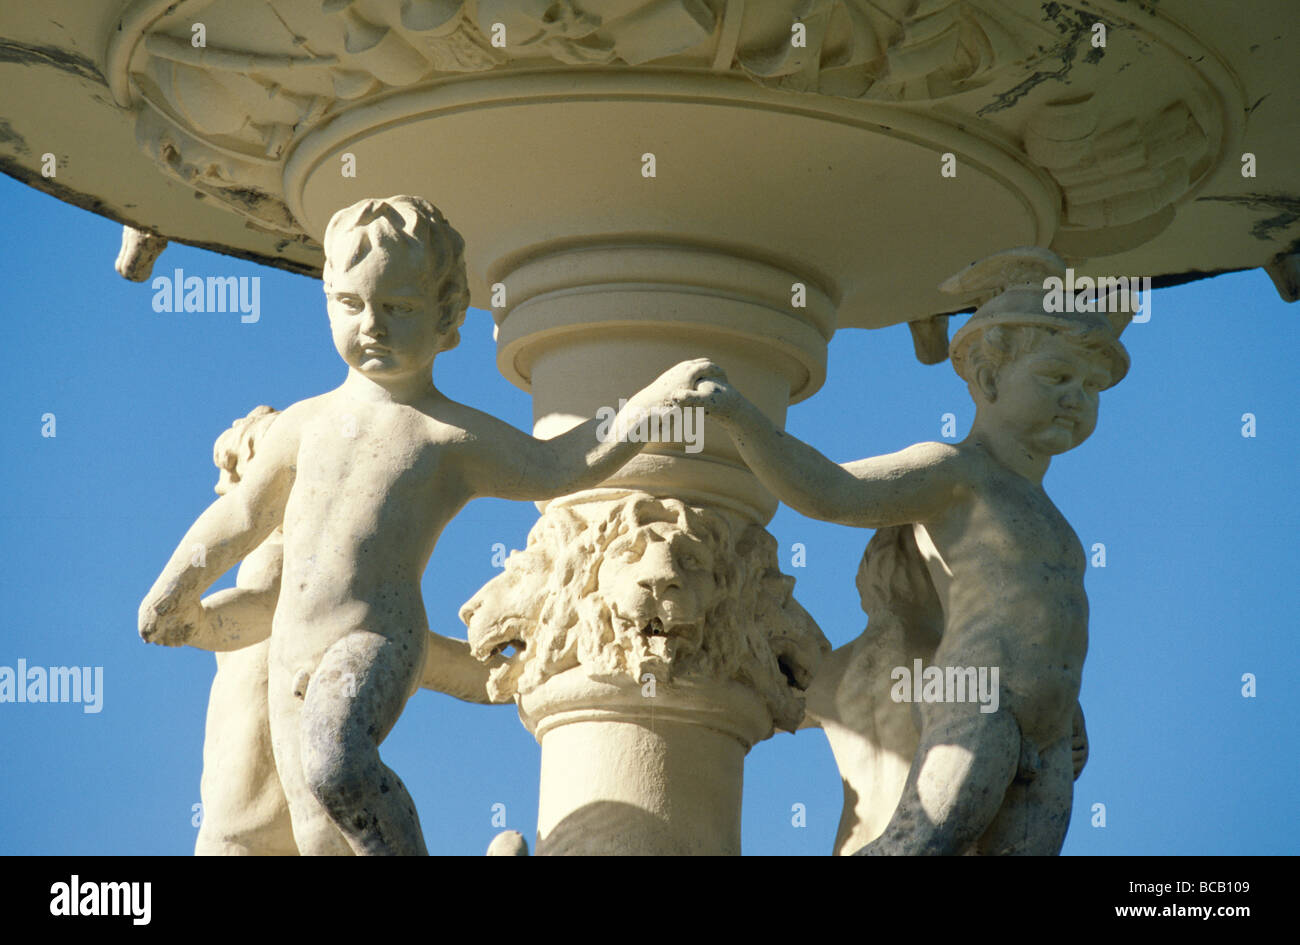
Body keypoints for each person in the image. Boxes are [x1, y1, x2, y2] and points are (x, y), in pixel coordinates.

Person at [139, 195, 720, 855]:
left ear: (447, 318)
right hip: (293, 650)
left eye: (400, 309)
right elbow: (240, 515)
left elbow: (560, 464)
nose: (373, 326)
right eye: (352, 305)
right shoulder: (303, 424)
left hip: (375, 636)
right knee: (319, 828)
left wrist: (649, 408)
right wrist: (174, 589)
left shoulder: (445, 434)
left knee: (334, 760)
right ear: (328, 300)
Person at [679, 247, 1126, 855]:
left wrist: (1066, 708)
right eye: (1056, 377)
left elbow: (1049, 624)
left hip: (1048, 734)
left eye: (1091, 386)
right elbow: (831, 491)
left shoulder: (1057, 524)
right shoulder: (954, 472)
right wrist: (739, 417)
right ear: (990, 377)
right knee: (919, 844)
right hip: (978, 702)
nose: (1077, 398)